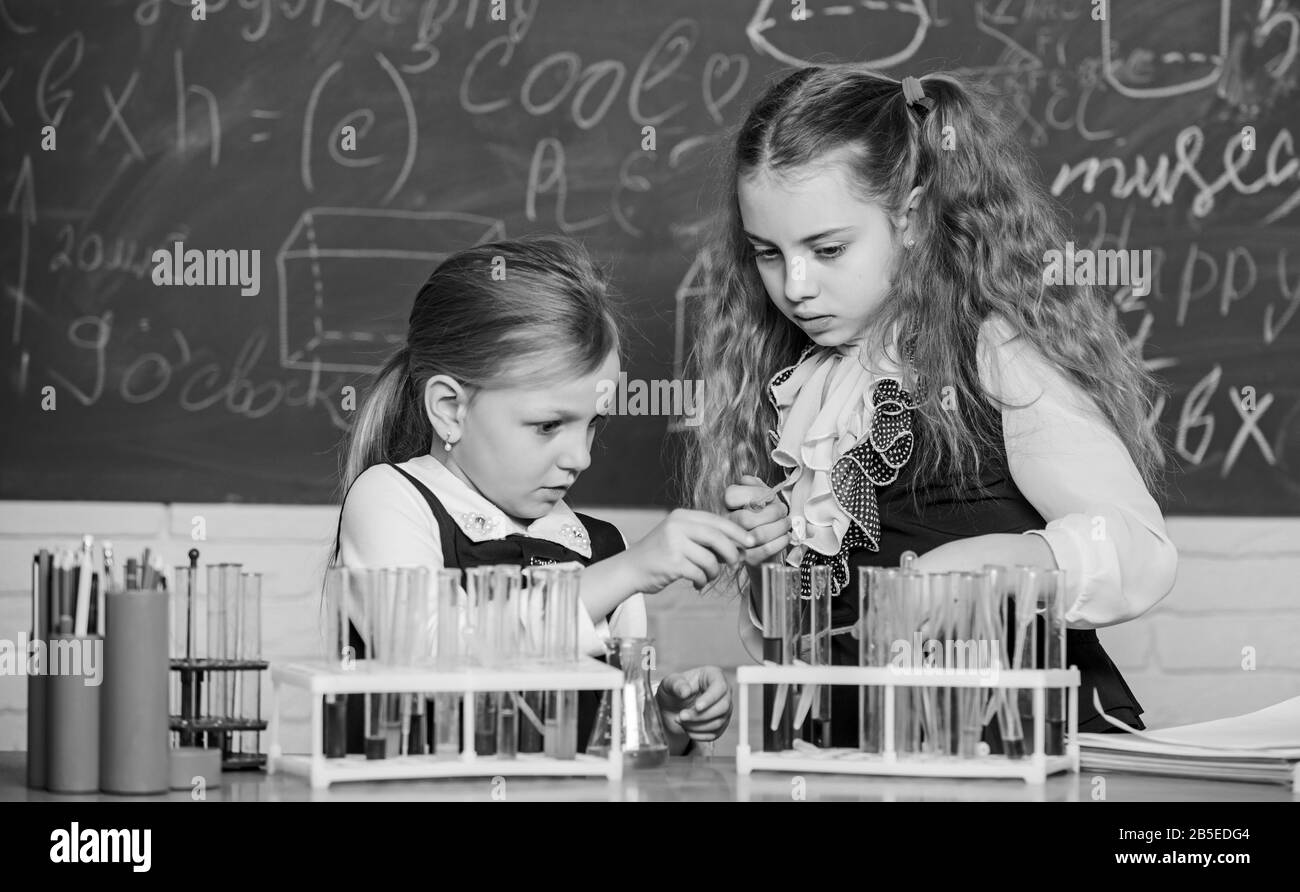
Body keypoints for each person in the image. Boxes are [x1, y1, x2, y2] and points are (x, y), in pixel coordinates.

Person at [687, 69, 1178, 745]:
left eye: (828, 249)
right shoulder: (801, 388)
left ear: (912, 218)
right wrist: (779, 563)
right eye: (769, 254)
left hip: (1029, 743)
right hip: (879, 751)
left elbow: (1140, 550)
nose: (795, 287)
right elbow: (804, 648)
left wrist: (1007, 563)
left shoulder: (992, 350)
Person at [333, 235, 743, 754]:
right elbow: (425, 659)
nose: (581, 457)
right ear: (450, 409)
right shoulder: (392, 500)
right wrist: (622, 575)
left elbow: (613, 736)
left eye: (594, 425)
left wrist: (665, 719)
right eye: (549, 425)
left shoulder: (600, 547)